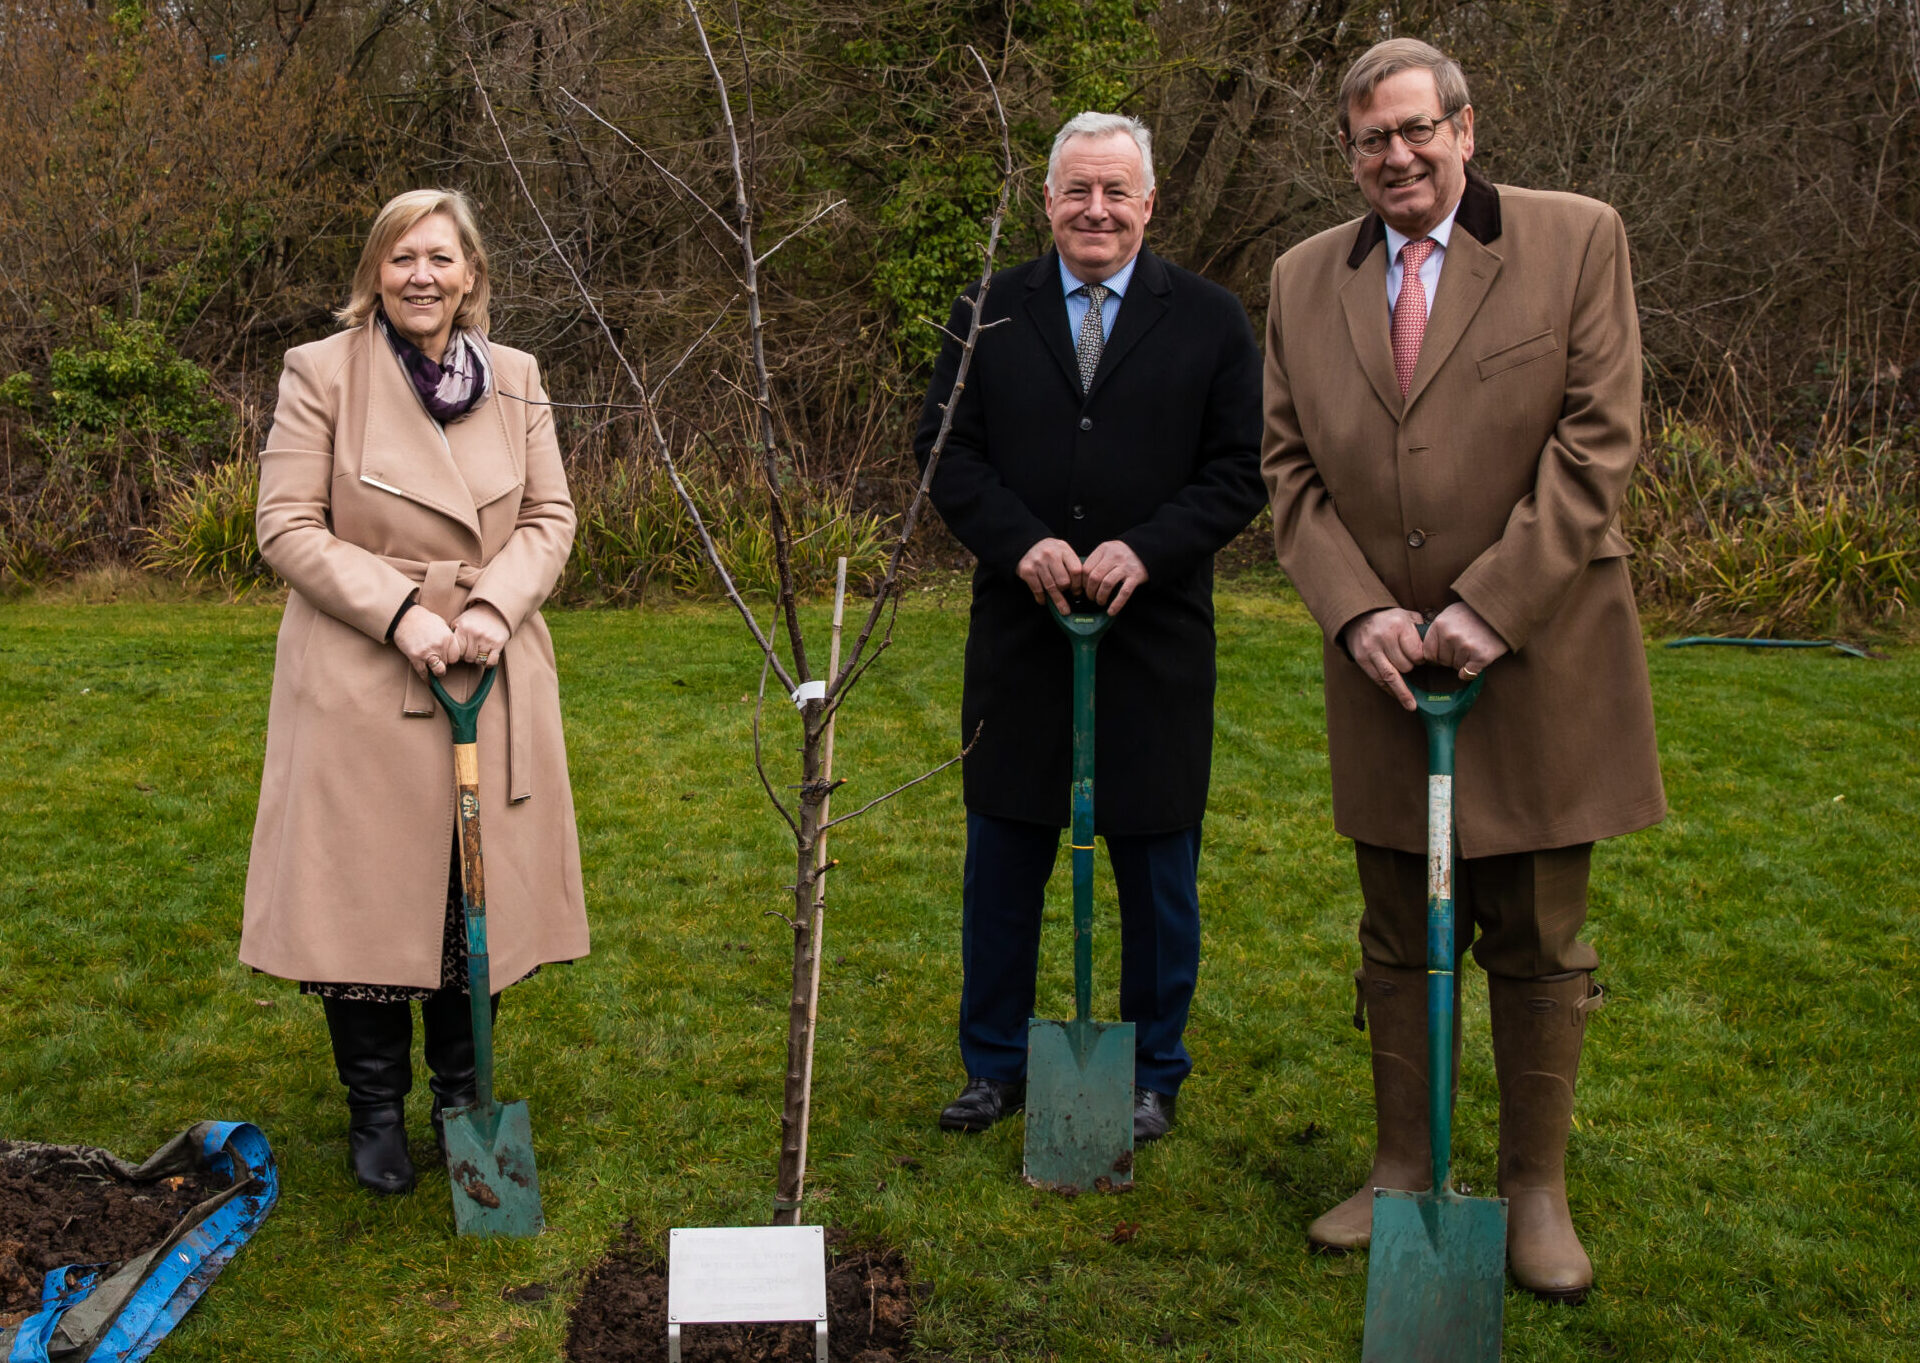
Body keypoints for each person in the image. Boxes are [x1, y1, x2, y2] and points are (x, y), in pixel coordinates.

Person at [1260, 39, 1666, 1299]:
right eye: (1372, 139)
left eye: (1417, 130)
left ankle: (1534, 1191)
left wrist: (1493, 605)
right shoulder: (1300, 278)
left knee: (1538, 931)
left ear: (1466, 128)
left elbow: (1600, 438)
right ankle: (1400, 1165)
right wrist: (1357, 611)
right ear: (1349, 152)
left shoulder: (1574, 239)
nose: (1398, 156)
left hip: (1539, 661)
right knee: (1397, 920)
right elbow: (1288, 470)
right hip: (1386, 673)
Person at [914, 112, 1267, 1145]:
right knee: (1005, 855)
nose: (1097, 210)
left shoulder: (1208, 320)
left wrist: (1148, 548)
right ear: (1049, 201)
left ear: (1150, 203)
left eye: (1117, 191)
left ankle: (1155, 1069)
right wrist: (1017, 541)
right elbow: (945, 448)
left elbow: (1239, 470)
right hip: (1023, 638)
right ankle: (995, 1063)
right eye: (1078, 190)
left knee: (1157, 864)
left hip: (1154, 642)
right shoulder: (991, 310)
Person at [240, 189, 588, 1195]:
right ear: (374, 272)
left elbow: (552, 516)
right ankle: (376, 1109)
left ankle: (460, 1098)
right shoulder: (322, 374)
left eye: (440, 257)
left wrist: (496, 608)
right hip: (361, 668)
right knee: (361, 900)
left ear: (471, 272)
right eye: (401, 259)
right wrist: (403, 615)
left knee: (466, 897)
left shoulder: (517, 379)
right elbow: (288, 525)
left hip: (488, 663)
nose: (421, 276)